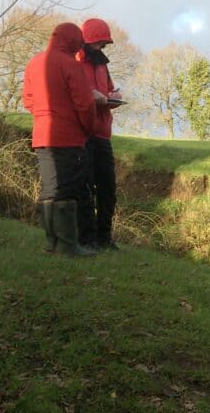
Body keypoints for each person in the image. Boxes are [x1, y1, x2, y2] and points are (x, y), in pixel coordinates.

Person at [22, 22, 98, 257]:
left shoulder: (34, 62)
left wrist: (43, 115)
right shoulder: (71, 65)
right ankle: (67, 246)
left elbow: (28, 100)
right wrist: (88, 128)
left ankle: (51, 243)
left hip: (42, 135)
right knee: (67, 188)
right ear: (73, 41)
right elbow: (85, 104)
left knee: (50, 187)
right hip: (68, 136)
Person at [76, 18, 122, 251]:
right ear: (88, 41)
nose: (102, 48)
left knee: (107, 189)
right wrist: (90, 95)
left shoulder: (104, 66)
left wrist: (115, 95)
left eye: (105, 44)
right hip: (83, 133)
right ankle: (87, 238)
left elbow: (109, 89)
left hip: (104, 133)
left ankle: (104, 237)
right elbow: (71, 92)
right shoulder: (74, 61)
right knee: (85, 189)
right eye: (99, 43)